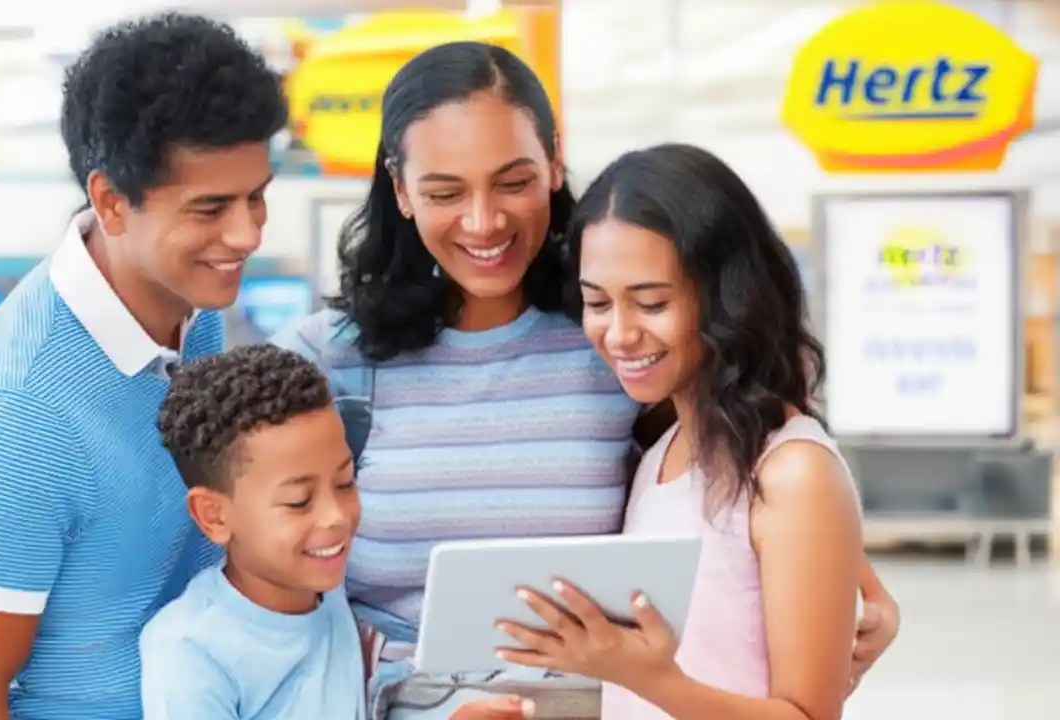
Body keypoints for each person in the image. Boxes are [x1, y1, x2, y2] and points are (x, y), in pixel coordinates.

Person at [270, 42, 898, 720]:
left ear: (553, 161)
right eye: (445, 193)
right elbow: (251, 576)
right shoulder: (328, 362)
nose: (484, 222)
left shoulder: (615, 345)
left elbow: (744, 477)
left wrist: (863, 593)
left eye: (513, 182)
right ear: (400, 190)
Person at [0, 14, 287, 719]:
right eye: (210, 208)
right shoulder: (17, 418)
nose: (246, 234)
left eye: (256, 196)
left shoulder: (192, 306)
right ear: (111, 202)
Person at [495, 144, 864, 720]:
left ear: (727, 297)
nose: (619, 334)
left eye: (651, 303)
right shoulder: (661, 455)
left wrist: (648, 679)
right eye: (597, 302)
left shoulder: (794, 474)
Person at [142, 344, 365, 719]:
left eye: (345, 482)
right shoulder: (188, 651)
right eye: (298, 501)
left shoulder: (329, 588)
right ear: (214, 516)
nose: (336, 517)